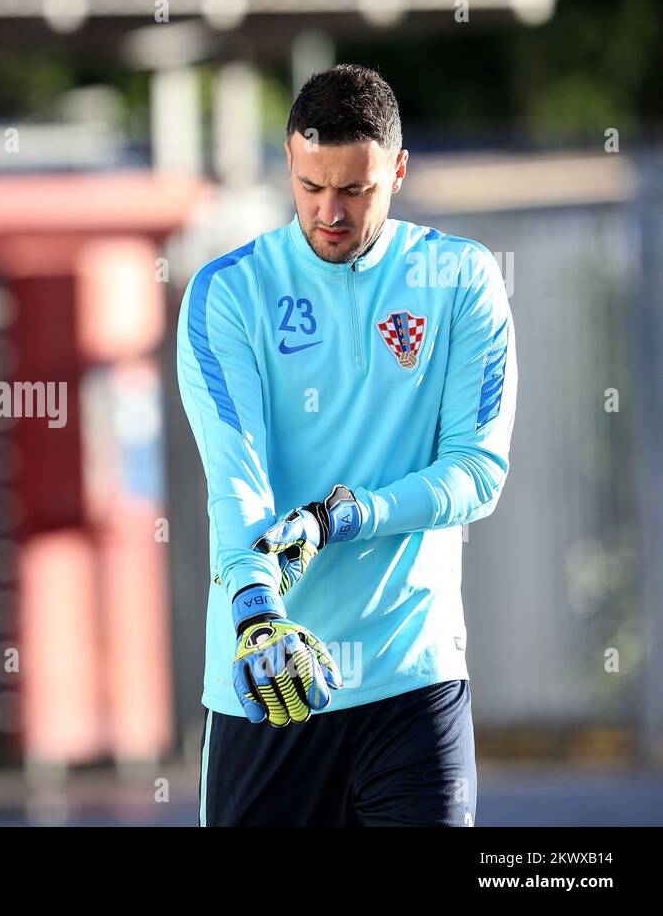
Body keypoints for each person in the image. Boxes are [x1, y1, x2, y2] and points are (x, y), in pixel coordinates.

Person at [176, 64, 517, 826]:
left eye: (355, 191)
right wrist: (259, 614)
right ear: (289, 165)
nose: (329, 212)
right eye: (310, 186)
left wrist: (348, 514)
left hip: (411, 679)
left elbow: (478, 472)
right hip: (266, 680)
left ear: (397, 171)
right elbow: (236, 478)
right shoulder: (228, 292)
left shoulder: (460, 278)